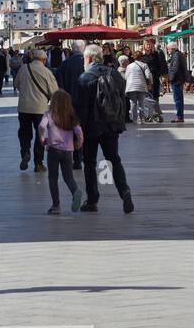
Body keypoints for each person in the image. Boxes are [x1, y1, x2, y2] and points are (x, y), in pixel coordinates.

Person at [72, 44, 134, 214]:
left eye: (85, 58)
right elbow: (122, 99)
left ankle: (92, 200)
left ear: (90, 58)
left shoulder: (84, 78)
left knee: (90, 163)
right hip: (111, 125)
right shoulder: (114, 74)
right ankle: (125, 191)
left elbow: (79, 108)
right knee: (114, 159)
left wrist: (77, 132)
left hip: (91, 128)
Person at [39, 90, 84, 214]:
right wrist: (79, 143)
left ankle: (56, 206)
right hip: (68, 151)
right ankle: (75, 191)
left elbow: (42, 126)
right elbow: (78, 130)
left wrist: (42, 138)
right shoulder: (71, 116)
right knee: (68, 177)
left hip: (53, 150)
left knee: (53, 178)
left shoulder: (48, 115)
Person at [16, 48, 57, 171]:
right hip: (40, 109)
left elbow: (16, 84)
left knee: (24, 133)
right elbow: (54, 92)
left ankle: (25, 153)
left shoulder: (24, 68)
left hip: (24, 107)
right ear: (44, 60)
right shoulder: (47, 72)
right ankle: (38, 163)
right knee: (40, 135)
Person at [58, 40, 87, 170]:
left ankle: (76, 159)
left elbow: (59, 85)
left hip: (70, 104)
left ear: (72, 49)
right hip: (87, 105)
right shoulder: (89, 64)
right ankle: (87, 157)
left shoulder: (65, 65)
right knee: (87, 130)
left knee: (72, 132)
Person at [140, 36, 168, 120]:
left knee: (155, 96)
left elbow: (161, 66)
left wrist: (162, 76)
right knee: (146, 97)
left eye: (150, 44)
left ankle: (156, 113)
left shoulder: (156, 55)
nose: (148, 46)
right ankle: (147, 114)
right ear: (144, 46)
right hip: (145, 80)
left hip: (155, 79)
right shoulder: (142, 56)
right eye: (147, 44)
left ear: (152, 45)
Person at [124, 50, 155, 124]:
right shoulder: (144, 65)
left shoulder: (129, 66)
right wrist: (150, 84)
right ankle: (142, 119)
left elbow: (126, 77)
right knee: (141, 103)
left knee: (133, 103)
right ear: (141, 57)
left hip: (131, 86)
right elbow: (148, 76)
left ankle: (134, 119)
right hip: (141, 86)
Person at [167, 42, 189, 124]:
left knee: (178, 99)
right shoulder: (178, 54)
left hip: (176, 80)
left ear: (172, 49)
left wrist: (170, 78)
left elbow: (175, 68)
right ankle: (180, 116)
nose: (168, 50)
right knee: (179, 99)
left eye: (168, 49)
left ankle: (179, 116)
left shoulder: (176, 55)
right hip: (179, 79)